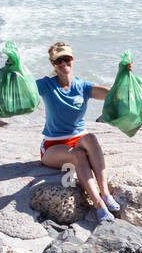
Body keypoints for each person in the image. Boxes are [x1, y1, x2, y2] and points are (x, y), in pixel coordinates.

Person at [36, 41, 123, 223]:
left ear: (72, 60)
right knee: (78, 155)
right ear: (53, 64)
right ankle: (99, 205)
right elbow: (24, 89)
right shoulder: (46, 85)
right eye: (59, 60)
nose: (63, 63)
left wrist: (125, 73)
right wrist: (12, 70)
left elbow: (111, 95)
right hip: (53, 146)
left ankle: (105, 193)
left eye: (67, 58)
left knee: (90, 138)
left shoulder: (82, 86)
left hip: (78, 138)